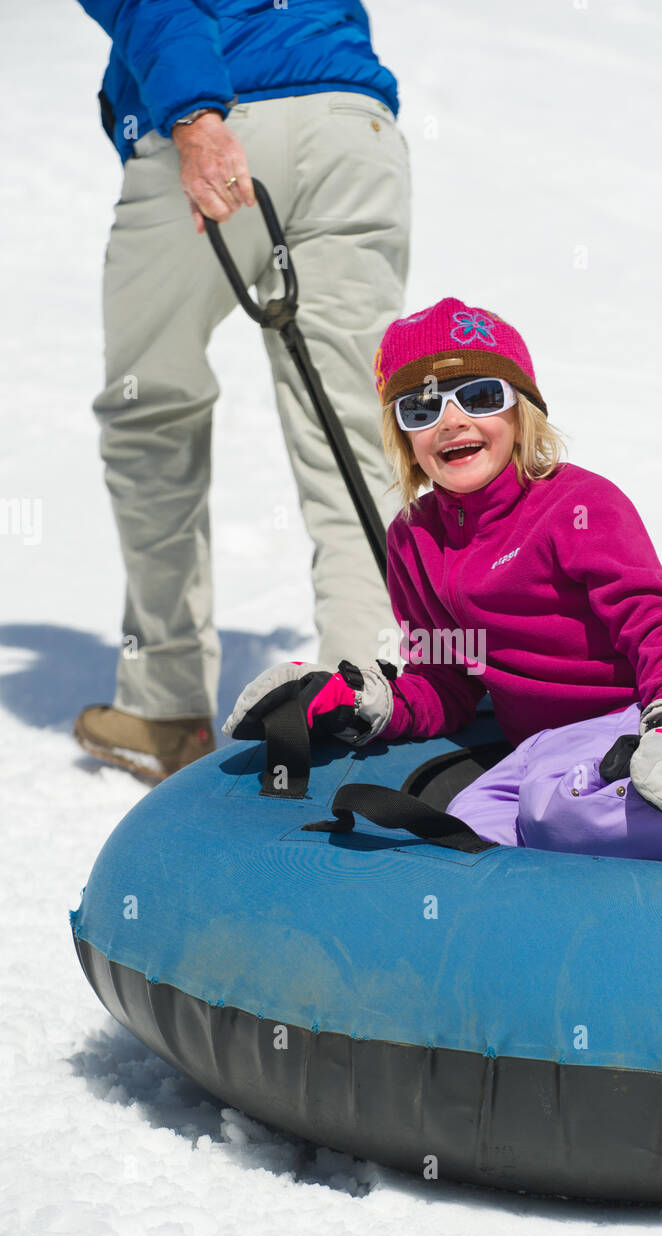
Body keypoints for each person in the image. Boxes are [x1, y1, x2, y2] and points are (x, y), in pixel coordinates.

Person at [224, 296, 662, 870]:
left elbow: (657, 622)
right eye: (421, 407)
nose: (452, 422)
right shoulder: (414, 540)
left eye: (478, 397)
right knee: (463, 837)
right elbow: (447, 679)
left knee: (564, 810)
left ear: (522, 411)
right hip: (548, 750)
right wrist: (369, 702)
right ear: (404, 436)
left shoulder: (577, 506)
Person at [74, 0, 410, 780]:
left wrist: (194, 117)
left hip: (222, 118)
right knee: (354, 430)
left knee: (150, 407)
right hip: (351, 125)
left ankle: (163, 705)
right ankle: (367, 708)